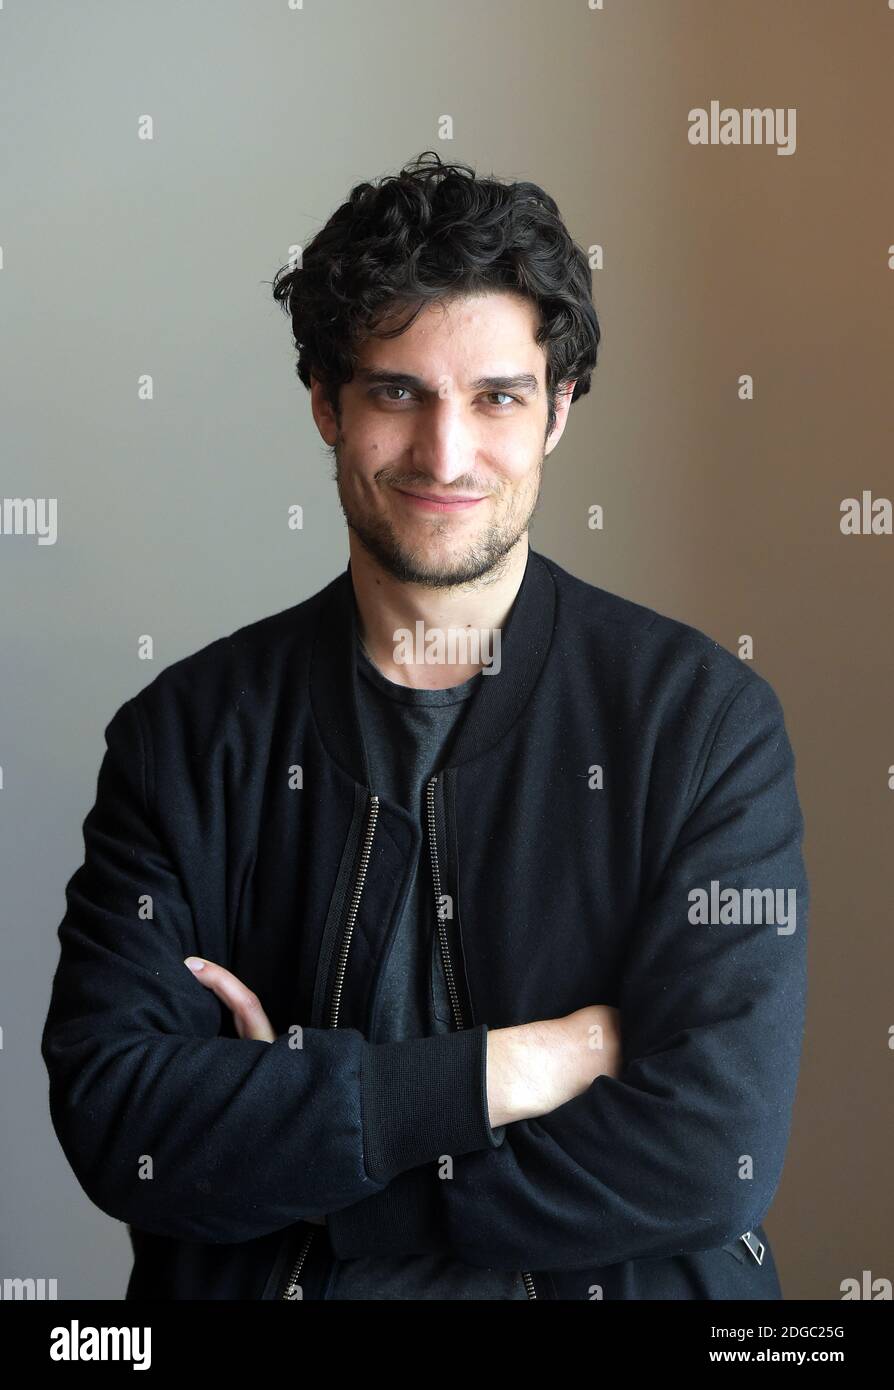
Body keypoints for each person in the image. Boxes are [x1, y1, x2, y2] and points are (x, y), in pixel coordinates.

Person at [41, 151, 808, 1300]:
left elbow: (711, 1153)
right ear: (326, 404)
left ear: (557, 411)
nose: (445, 455)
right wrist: (527, 1065)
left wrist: (313, 1139)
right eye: (398, 391)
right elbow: (120, 1121)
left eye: (496, 396)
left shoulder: (702, 725)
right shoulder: (184, 736)